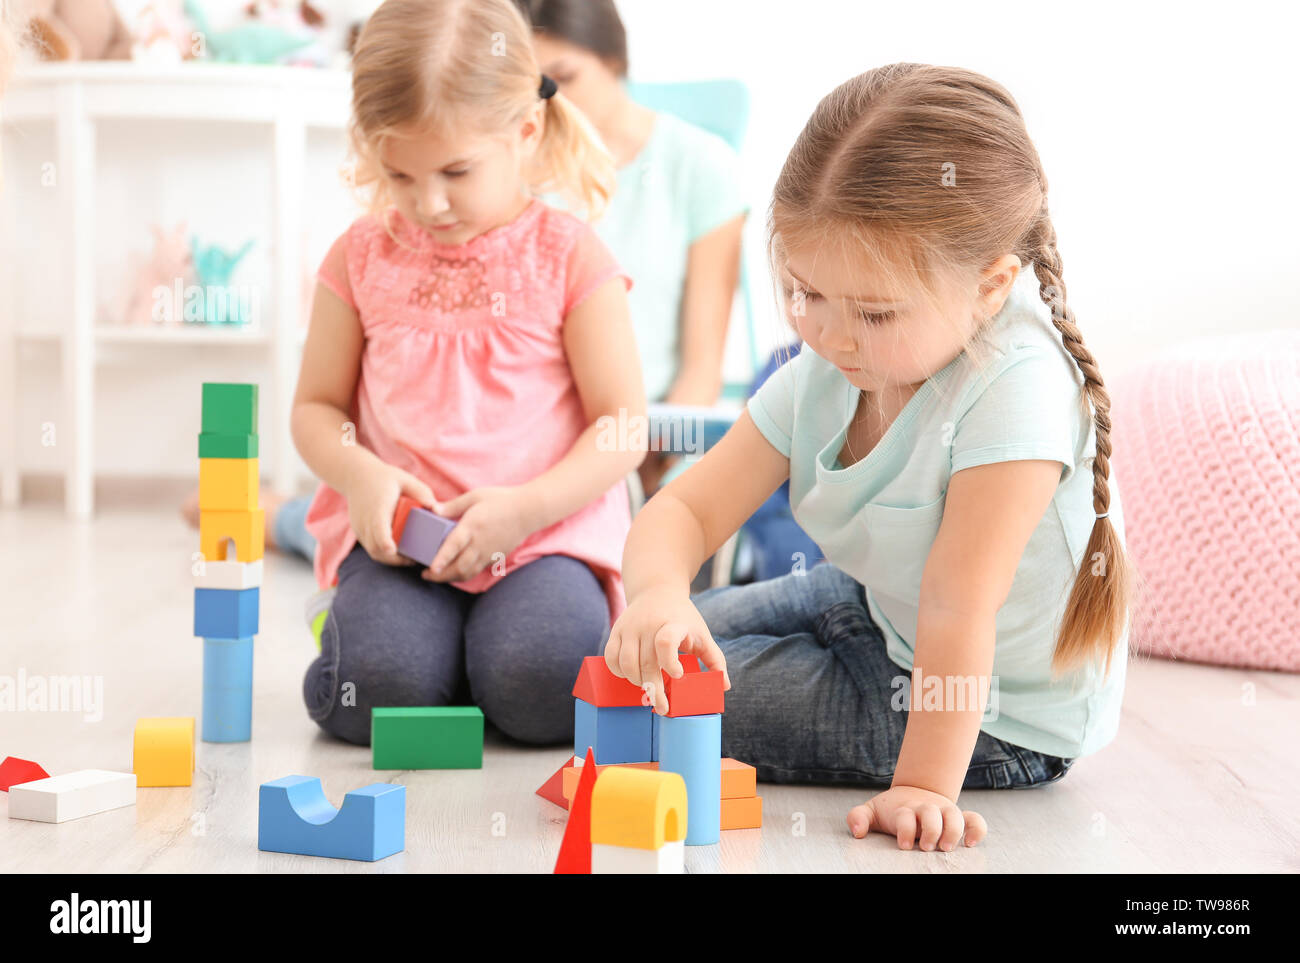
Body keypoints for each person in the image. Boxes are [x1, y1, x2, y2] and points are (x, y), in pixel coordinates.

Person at [604, 64, 1132, 851]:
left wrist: (921, 787)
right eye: (807, 294)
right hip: (877, 608)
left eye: (875, 312)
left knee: (649, 693)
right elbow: (686, 506)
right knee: (639, 649)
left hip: (984, 714)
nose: (832, 337)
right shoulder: (835, 358)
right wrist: (655, 593)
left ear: (990, 288)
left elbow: (959, 610)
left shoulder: (1017, 388)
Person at [292, 0, 645, 746]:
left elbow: (623, 427)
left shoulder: (569, 255)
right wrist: (360, 475)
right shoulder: (359, 256)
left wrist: (522, 511)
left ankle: (474, 658)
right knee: (374, 697)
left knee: (548, 688)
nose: (429, 202)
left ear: (523, 131)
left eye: (456, 170)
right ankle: (425, 650)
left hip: (542, 537)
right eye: (400, 173)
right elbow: (316, 408)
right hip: (401, 546)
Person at [519, 0, 747, 495]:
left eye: (566, 77)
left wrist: (650, 463)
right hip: (536, 429)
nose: (550, 104)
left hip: (649, 432)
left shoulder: (700, 166)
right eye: (533, 89)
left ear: (615, 61)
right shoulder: (517, 171)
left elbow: (700, 369)